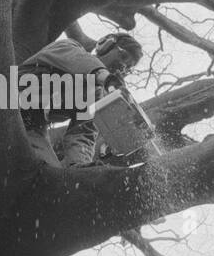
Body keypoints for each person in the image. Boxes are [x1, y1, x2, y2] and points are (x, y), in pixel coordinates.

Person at [18, 32, 142, 166]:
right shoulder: (69, 47)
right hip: (6, 98)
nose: (123, 67)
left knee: (50, 174)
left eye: (128, 68)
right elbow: (81, 61)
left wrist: (80, 165)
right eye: (123, 56)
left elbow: (82, 132)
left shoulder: (94, 95)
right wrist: (107, 78)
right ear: (106, 45)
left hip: (33, 125)